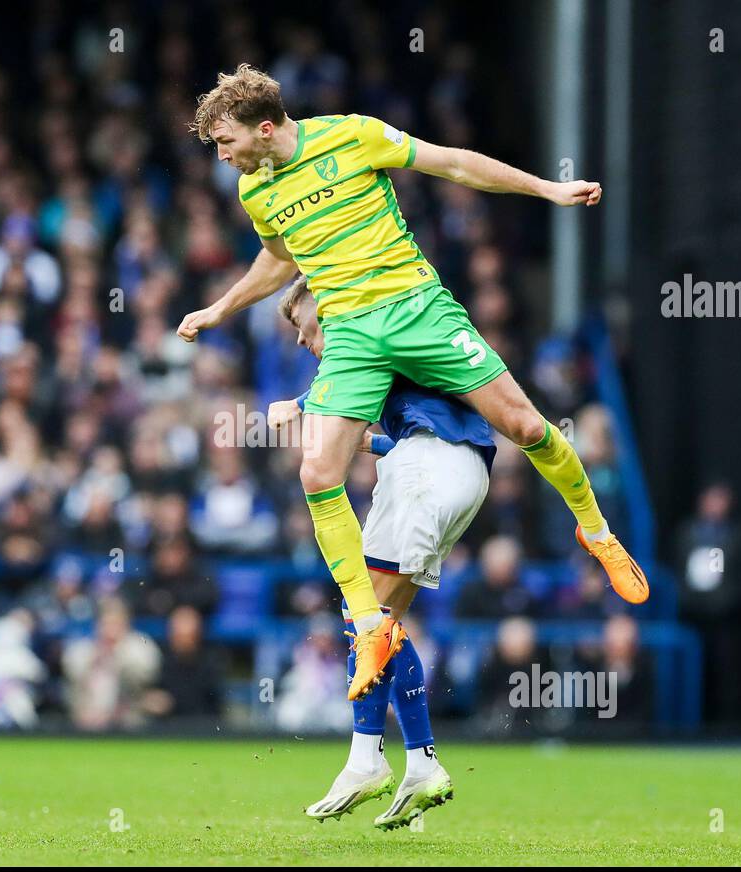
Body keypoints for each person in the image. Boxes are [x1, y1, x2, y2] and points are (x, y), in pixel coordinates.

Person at [178, 64, 648, 704]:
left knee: (529, 427)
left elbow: (453, 164)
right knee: (317, 472)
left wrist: (548, 190)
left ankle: (595, 531)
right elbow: (278, 258)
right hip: (349, 331)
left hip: (417, 308)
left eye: (226, 140)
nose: (221, 153)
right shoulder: (255, 192)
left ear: (265, 127)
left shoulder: (352, 136)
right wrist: (219, 310)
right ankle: (369, 624)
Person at [269, 278, 495, 829]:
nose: (301, 341)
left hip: (427, 470)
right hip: (455, 468)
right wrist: (360, 440)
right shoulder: (401, 339)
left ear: (327, 305)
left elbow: (356, 392)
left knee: (363, 616)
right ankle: (420, 763)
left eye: (301, 323)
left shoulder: (369, 328)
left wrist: (298, 404)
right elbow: (408, 429)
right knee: (382, 621)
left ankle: (366, 759)